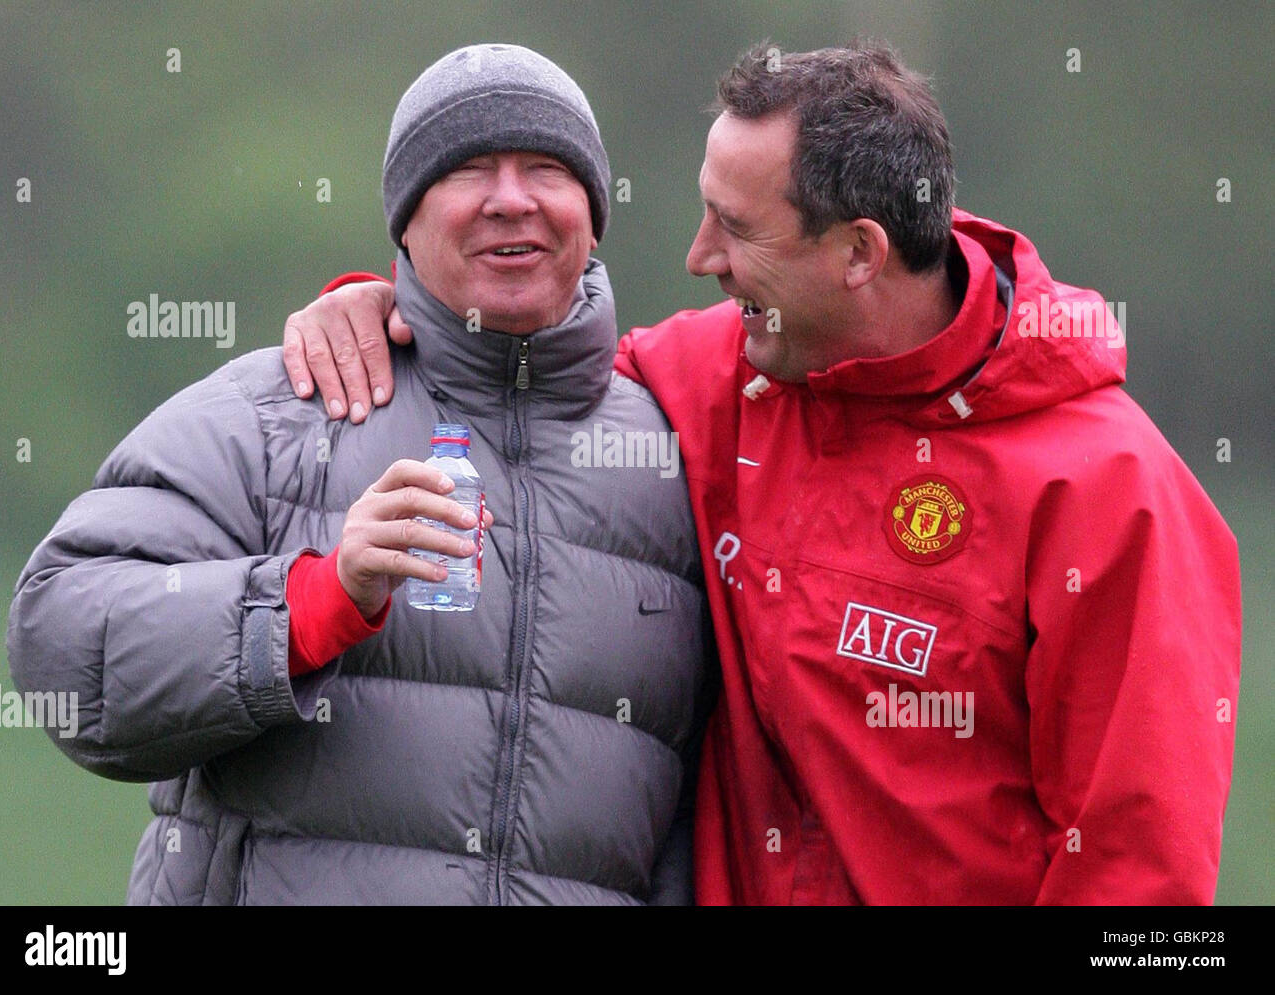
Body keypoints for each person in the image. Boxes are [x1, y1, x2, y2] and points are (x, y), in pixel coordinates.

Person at [287, 41, 1243, 904]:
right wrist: (380, 306)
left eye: (735, 229)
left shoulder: (1116, 494)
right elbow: (520, 384)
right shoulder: (710, 377)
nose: (699, 257)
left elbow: (1143, 886)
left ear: (859, 253)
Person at [6, 43, 711, 905]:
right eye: (468, 170)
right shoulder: (281, 407)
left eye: (547, 168)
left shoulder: (675, 451)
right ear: (405, 222)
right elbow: (63, 645)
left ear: (594, 215)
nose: (512, 198)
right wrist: (306, 607)